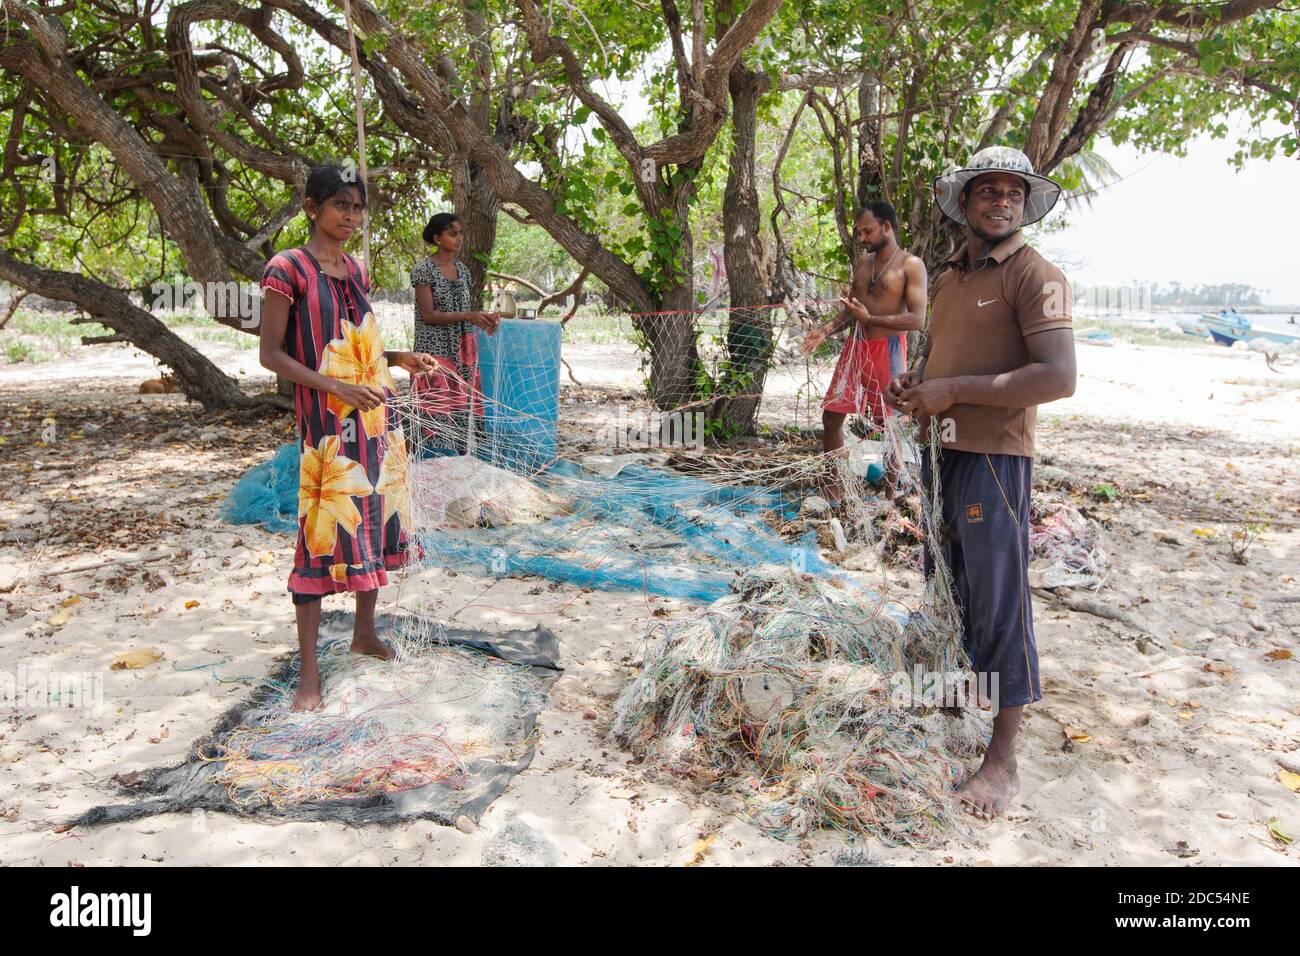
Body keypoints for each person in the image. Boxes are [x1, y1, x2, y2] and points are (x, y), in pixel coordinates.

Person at [886, 146, 1076, 820]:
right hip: (942, 451)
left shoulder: (1035, 274)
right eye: (987, 191)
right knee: (948, 582)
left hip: (995, 459)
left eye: (1013, 192)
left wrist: (957, 390)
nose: (1001, 201)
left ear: (1024, 205)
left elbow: (1058, 377)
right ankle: (957, 691)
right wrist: (917, 386)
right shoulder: (949, 278)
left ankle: (1002, 762)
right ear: (963, 204)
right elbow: (941, 358)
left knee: (999, 600)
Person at [259, 165, 436, 711]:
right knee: (321, 535)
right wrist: (336, 386)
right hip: (326, 427)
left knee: (374, 521)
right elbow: (273, 354)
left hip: (376, 416)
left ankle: (365, 632)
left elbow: (353, 343)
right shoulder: (288, 269)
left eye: (357, 207)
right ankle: (309, 675)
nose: (350, 216)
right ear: (311, 207)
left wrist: (398, 358)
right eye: (340, 205)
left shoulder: (354, 269)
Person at [801, 201, 927, 500]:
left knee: (890, 423)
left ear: (887, 227)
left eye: (868, 231)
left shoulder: (911, 265)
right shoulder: (861, 263)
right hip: (855, 349)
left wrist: (871, 320)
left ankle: (892, 493)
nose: (863, 238)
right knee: (832, 416)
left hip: (889, 348)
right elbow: (851, 312)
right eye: (859, 232)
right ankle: (833, 491)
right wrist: (824, 331)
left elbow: (917, 319)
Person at [410, 213, 500, 456]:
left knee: (461, 406)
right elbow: (429, 315)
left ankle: (457, 462)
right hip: (435, 348)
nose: (459, 238)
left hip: (461, 350)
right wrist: (470, 316)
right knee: (436, 407)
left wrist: (482, 319)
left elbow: (463, 311)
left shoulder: (462, 270)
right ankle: (429, 462)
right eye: (453, 233)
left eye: (460, 232)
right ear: (437, 238)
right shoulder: (424, 270)